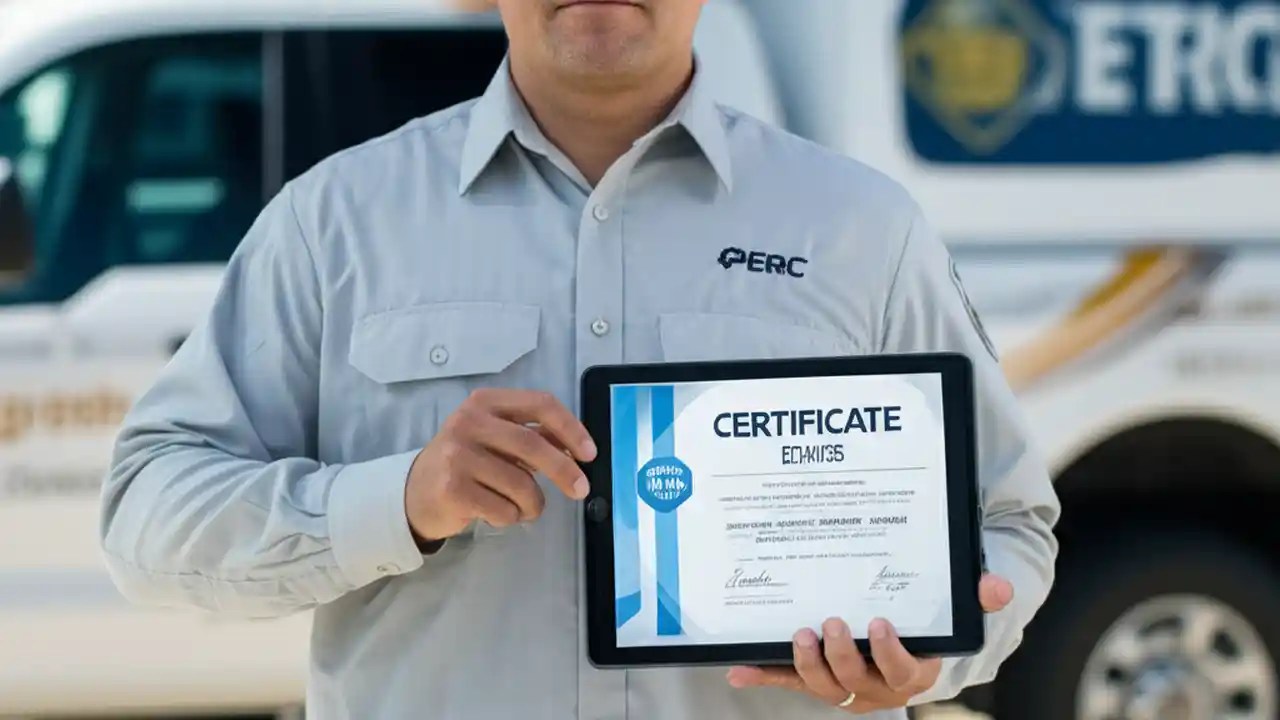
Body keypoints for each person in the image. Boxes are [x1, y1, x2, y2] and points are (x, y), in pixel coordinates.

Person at [99, 0, 1060, 717]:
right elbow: (148, 517)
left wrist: (937, 653)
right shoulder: (335, 223)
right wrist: (399, 500)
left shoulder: (862, 228)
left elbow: (1009, 520)